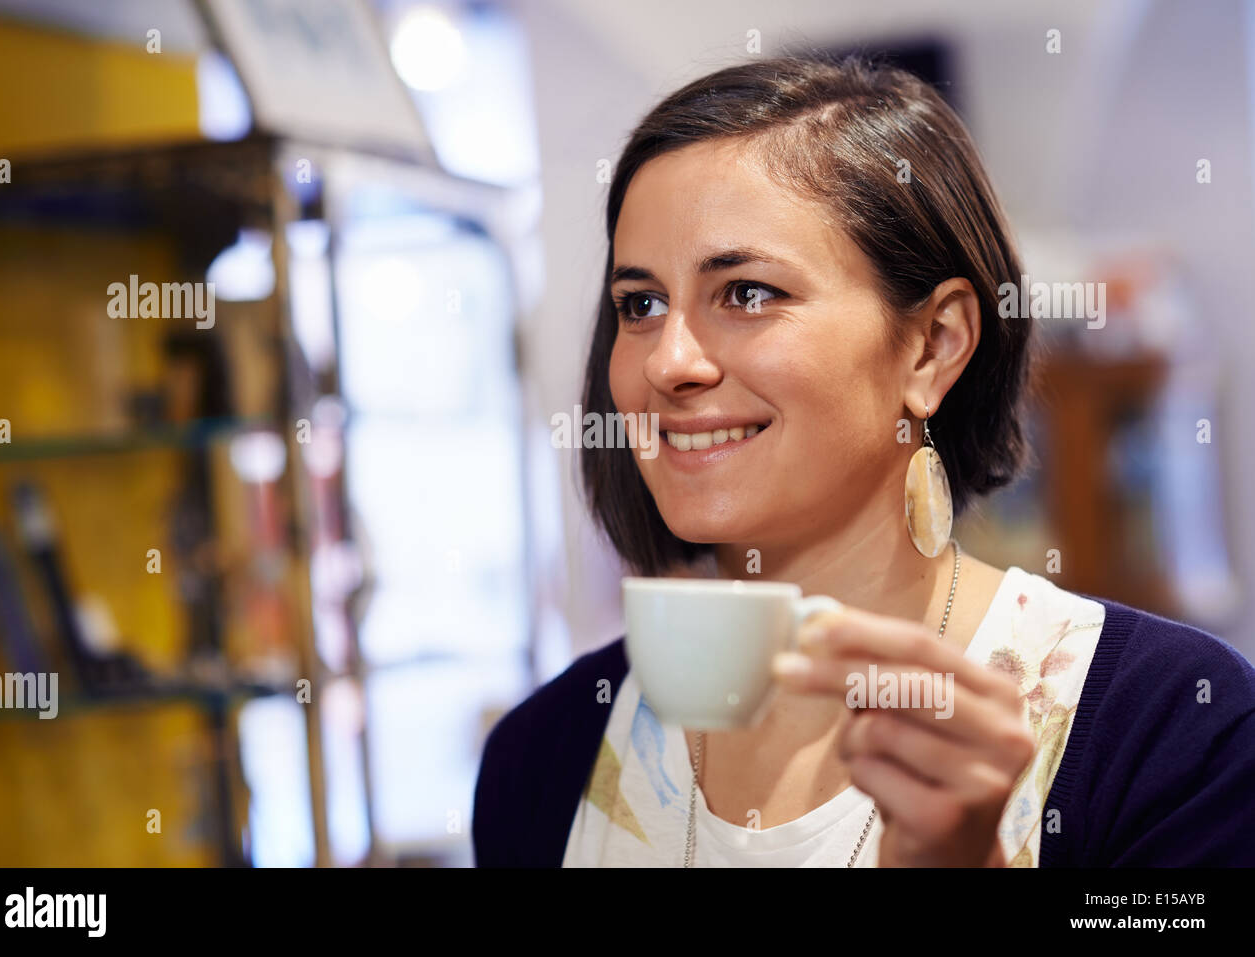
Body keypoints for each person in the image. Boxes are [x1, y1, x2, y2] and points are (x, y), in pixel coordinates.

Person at [472, 54, 1255, 867]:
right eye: (640, 305)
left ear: (933, 345)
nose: (669, 361)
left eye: (746, 292)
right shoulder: (543, 757)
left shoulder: (1176, 730)